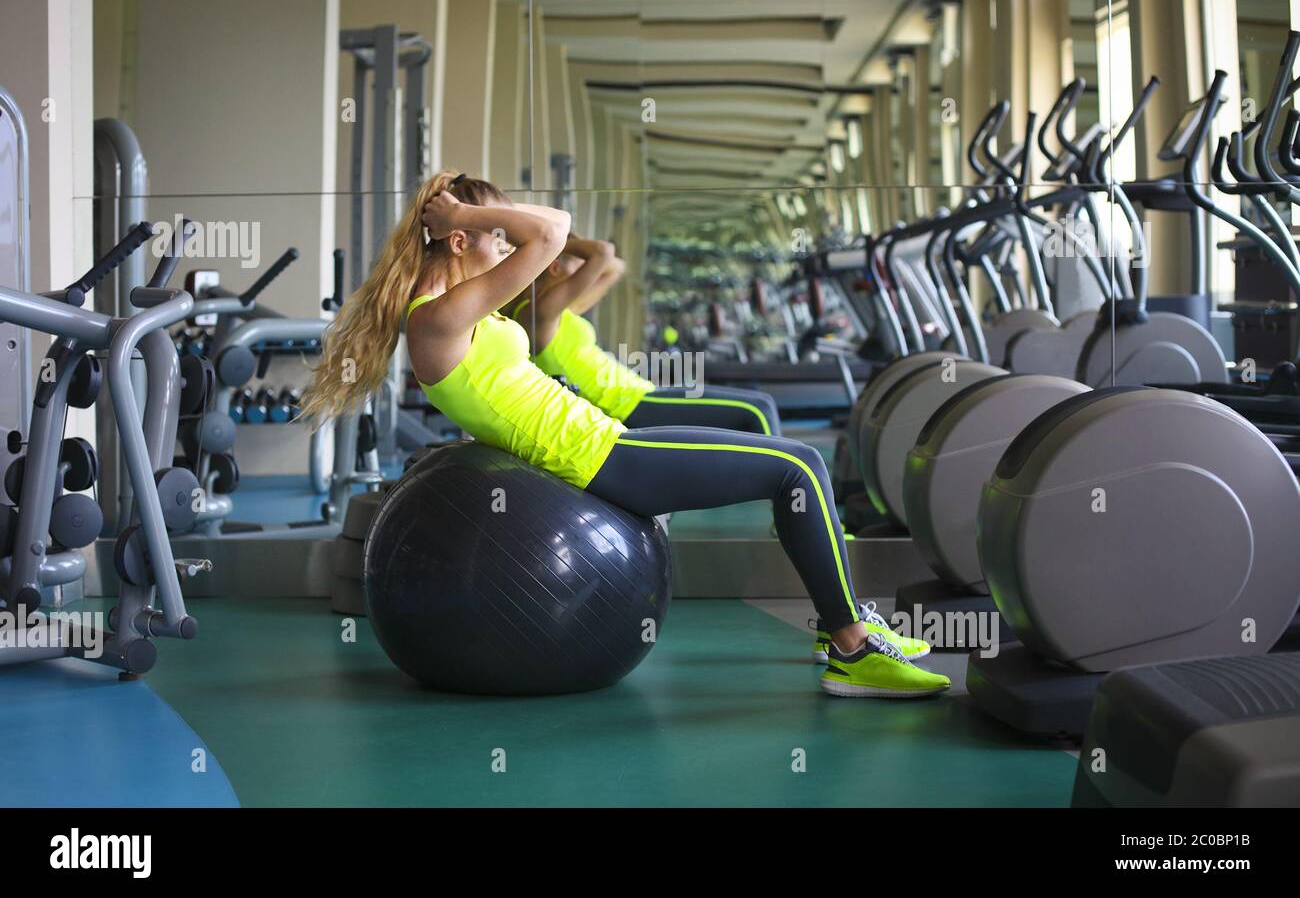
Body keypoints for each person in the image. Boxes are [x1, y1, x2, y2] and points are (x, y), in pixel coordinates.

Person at [299, 170, 949, 699]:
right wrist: (466, 218)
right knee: (800, 466)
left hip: (601, 441)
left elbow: (570, 249)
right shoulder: (439, 318)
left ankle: (839, 627)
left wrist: (472, 220)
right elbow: (551, 234)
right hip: (599, 456)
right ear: (462, 243)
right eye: (495, 237)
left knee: (788, 456)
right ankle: (852, 646)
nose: (504, 247)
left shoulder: (461, 310)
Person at [507, 238, 782, 435]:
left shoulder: (560, 311)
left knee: (761, 406)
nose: (586, 275)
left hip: (641, 393)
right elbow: (602, 252)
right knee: (758, 409)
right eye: (578, 267)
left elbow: (615, 267)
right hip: (626, 405)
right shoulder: (538, 314)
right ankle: (782, 492)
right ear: (555, 267)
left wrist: (551, 242)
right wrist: (550, 241)